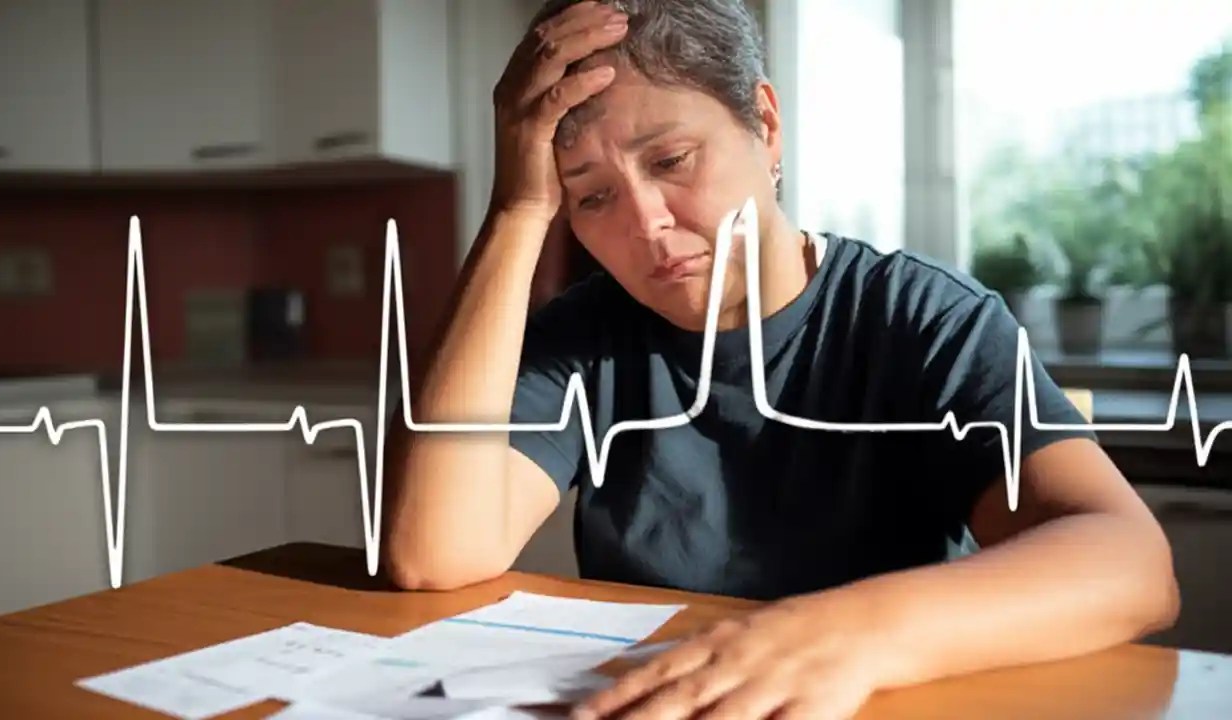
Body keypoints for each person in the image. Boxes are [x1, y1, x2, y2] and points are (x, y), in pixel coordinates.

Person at [381, 1, 1180, 717]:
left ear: (764, 125)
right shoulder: (584, 339)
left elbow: (1133, 565)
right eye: (591, 197)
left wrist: (841, 633)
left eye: (671, 161)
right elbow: (430, 553)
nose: (647, 224)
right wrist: (520, 206)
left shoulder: (923, 316)